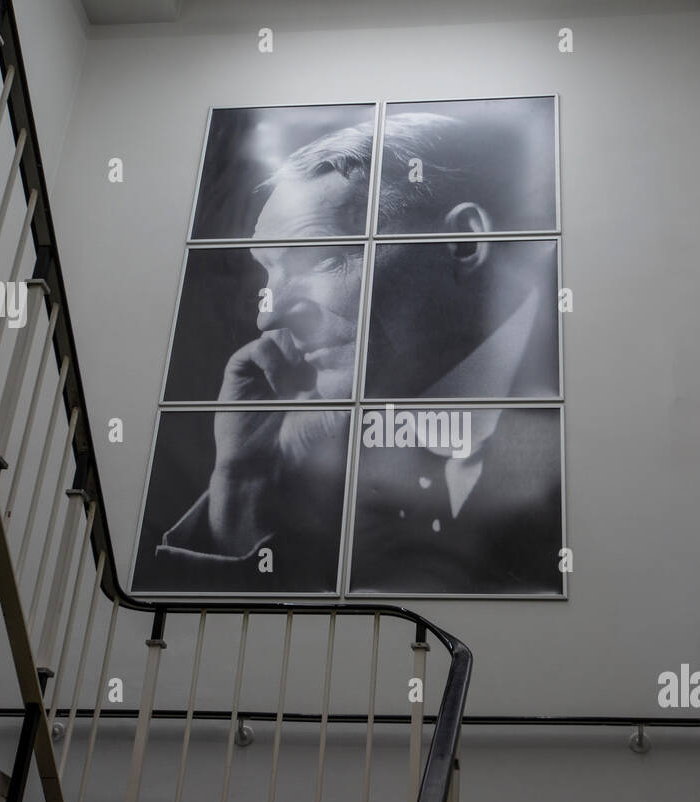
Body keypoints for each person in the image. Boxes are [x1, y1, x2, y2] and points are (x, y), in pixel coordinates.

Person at [150, 112, 562, 594]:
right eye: (268, 271)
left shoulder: (595, 409)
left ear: (465, 242)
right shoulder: (315, 446)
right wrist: (243, 481)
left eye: (319, 258)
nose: (270, 317)